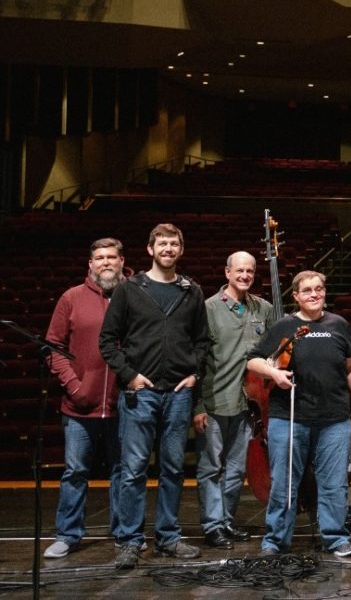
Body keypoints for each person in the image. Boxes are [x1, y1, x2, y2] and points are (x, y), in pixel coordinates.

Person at [99, 223, 209, 569]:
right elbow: (107, 341)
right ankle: (130, 541)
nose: (168, 249)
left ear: (181, 249)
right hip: (140, 395)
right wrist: (129, 376)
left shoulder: (191, 291)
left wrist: (195, 375)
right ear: (150, 249)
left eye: (174, 244)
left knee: (174, 469)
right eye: (162, 244)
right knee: (132, 471)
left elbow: (203, 342)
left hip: (177, 394)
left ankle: (168, 537)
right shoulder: (129, 289)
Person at [246, 270, 351, 557]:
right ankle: (276, 540)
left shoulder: (338, 325)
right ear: (296, 296)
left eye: (319, 289)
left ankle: (336, 538)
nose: (314, 294)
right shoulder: (284, 326)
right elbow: (253, 361)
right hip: (289, 417)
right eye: (307, 290)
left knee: (334, 482)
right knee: (284, 482)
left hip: (334, 418)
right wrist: (274, 374)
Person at [43, 237, 128, 560]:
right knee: (75, 472)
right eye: (99, 258)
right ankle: (68, 534)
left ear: (122, 261)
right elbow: (53, 347)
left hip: (123, 405)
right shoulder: (71, 298)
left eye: (111, 257)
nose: (106, 262)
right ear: (90, 265)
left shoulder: (134, 296)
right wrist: (74, 385)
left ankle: (125, 534)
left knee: (124, 472)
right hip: (79, 407)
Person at [194, 251, 273, 549]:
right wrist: (197, 405)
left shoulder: (263, 309)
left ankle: (226, 520)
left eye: (250, 271)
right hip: (215, 400)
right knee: (212, 467)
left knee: (237, 469)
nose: (244, 276)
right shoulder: (209, 309)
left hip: (249, 405)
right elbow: (197, 362)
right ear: (227, 272)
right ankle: (212, 525)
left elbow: (276, 349)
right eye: (239, 270)